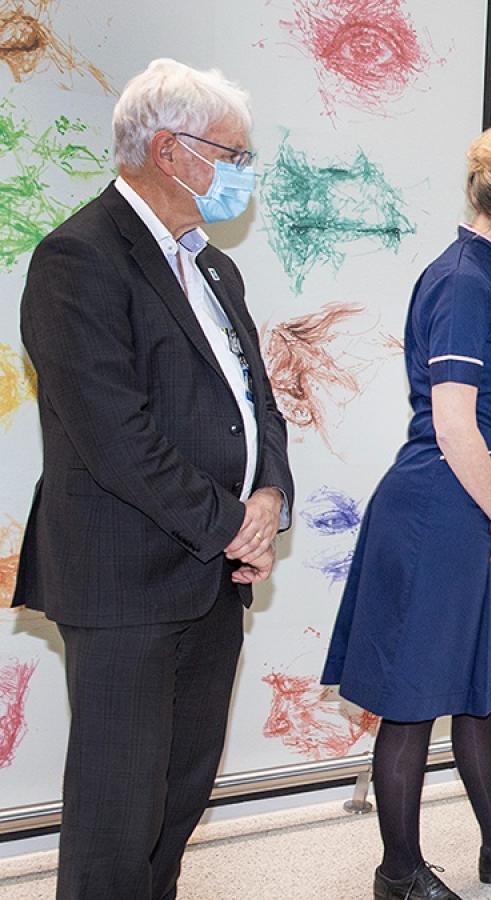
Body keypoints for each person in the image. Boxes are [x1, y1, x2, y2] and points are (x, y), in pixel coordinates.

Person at [14, 59, 293, 899]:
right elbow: (115, 438)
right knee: (116, 818)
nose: (244, 171)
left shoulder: (214, 268)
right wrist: (231, 524)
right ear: (171, 151)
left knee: (177, 801)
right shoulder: (77, 257)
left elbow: (259, 405)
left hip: (212, 580)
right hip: (126, 581)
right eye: (234, 153)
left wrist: (270, 497)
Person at [321, 124, 491, 899]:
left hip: (476, 503)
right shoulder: (463, 280)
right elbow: (451, 420)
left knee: (479, 683)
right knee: (413, 701)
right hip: (438, 511)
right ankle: (397, 871)